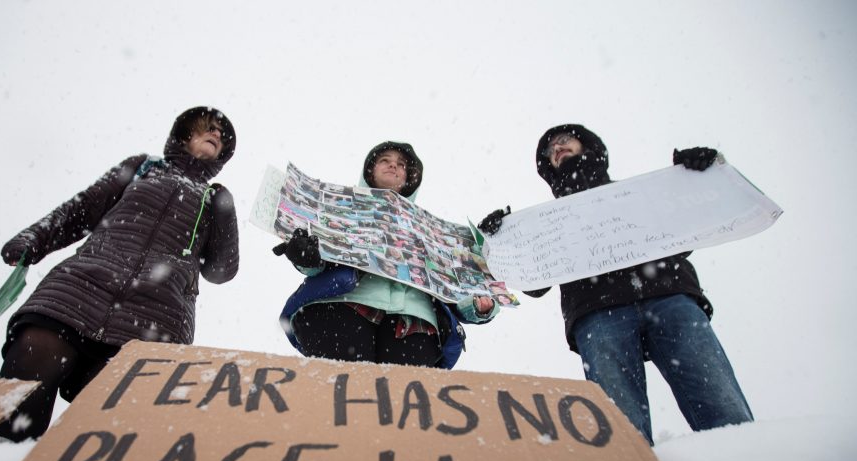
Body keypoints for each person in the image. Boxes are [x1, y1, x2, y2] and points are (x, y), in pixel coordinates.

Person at [479, 124, 752, 444]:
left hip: (669, 296)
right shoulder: (548, 222)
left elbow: (690, 230)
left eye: (564, 140)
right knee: (622, 428)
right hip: (598, 313)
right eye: (550, 150)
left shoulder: (641, 193)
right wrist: (502, 242)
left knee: (720, 402)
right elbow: (535, 285)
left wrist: (695, 177)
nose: (557, 148)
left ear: (587, 145)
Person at [0, 106, 239, 441]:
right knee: (18, 396)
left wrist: (224, 213)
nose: (216, 135)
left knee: (107, 433)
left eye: (222, 136)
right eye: (208, 127)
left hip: (156, 316)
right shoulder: (142, 167)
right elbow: (82, 208)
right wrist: (34, 238)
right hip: (78, 289)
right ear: (185, 135)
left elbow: (222, 271)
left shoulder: (214, 198)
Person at [277, 141, 496, 368]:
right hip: (343, 304)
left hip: (416, 320)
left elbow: (458, 292)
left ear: (409, 177)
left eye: (401, 164)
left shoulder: (433, 231)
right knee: (344, 388)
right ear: (370, 170)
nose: (393, 166)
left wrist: (479, 306)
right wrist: (305, 257)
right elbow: (316, 262)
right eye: (385, 160)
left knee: (399, 398)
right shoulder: (338, 208)